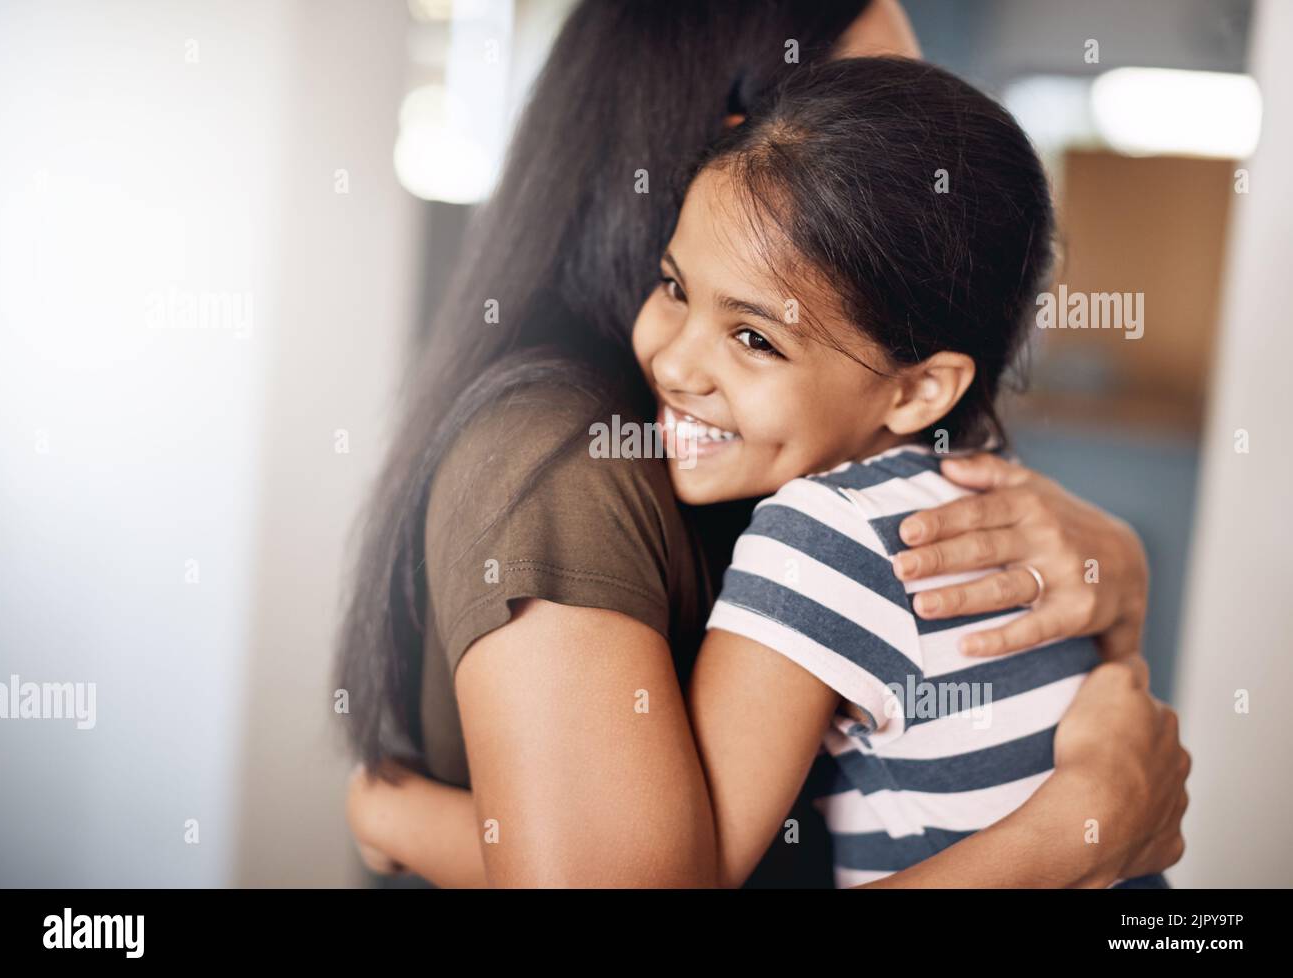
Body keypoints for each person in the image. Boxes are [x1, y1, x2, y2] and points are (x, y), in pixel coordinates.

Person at [336, 0, 1186, 888]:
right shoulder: (569, 457)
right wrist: (1086, 824)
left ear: (920, 387)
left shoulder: (824, 528)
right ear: (735, 133)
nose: (675, 357)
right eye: (673, 287)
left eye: (752, 338)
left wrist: (387, 810)